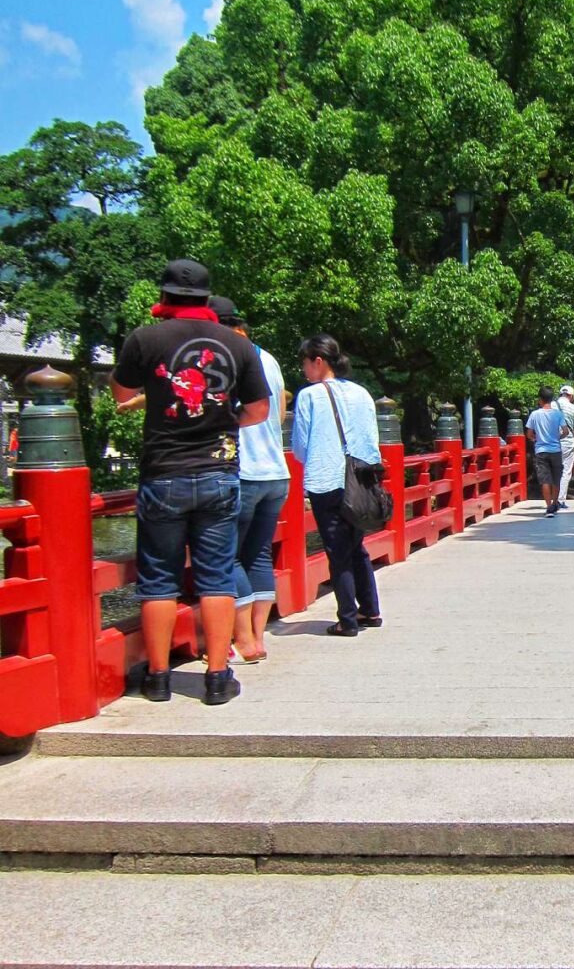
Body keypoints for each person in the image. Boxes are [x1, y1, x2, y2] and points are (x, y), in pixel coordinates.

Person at [111, 259, 271, 705]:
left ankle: (159, 679)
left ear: (164, 298)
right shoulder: (236, 344)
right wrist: (222, 423)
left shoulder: (144, 338)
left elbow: (121, 394)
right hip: (219, 472)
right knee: (216, 576)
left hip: (163, 473)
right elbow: (259, 411)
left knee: (158, 578)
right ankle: (218, 678)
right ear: (206, 298)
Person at [209, 297, 289, 663]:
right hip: (276, 472)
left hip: (244, 471)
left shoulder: (223, 355)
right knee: (258, 555)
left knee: (227, 557)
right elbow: (280, 412)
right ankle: (259, 636)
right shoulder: (268, 357)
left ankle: (242, 640)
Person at [292, 333, 382, 636]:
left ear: (319, 361)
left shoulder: (308, 396)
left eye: (306, 363)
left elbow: (300, 446)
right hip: (361, 478)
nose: (304, 370)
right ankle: (370, 610)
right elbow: (372, 438)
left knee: (338, 550)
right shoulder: (362, 393)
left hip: (326, 480)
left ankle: (347, 618)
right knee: (357, 546)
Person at [525, 385, 567, 516]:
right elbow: (565, 431)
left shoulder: (534, 414)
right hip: (555, 449)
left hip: (541, 450)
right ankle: (555, 503)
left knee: (545, 480)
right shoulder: (557, 414)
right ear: (551, 399)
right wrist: (557, 437)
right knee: (556, 479)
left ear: (540, 400)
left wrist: (535, 439)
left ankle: (548, 507)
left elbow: (529, 433)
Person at [556, 382, 574, 509]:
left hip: (550, 442)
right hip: (567, 442)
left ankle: (551, 498)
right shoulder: (573, 408)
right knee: (565, 472)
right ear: (571, 396)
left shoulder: (551, 406)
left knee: (553, 471)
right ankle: (560, 499)